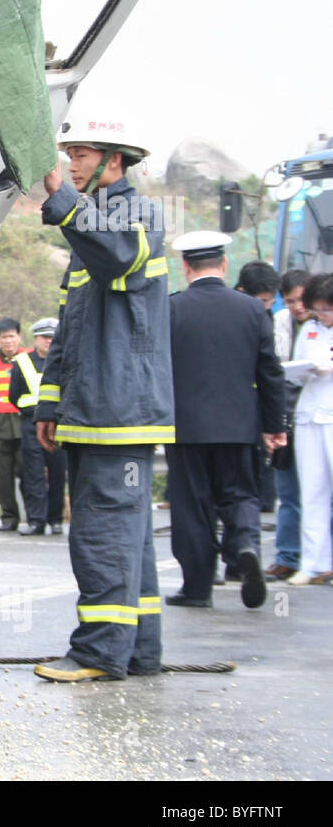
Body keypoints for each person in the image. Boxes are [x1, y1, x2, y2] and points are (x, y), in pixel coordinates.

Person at [31, 114, 174, 683]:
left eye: (83, 155)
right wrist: (49, 403)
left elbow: (119, 256)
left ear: (115, 161)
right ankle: (138, 652)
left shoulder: (138, 216)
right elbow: (68, 332)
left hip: (120, 412)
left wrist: (60, 197)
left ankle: (98, 652)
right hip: (94, 410)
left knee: (104, 531)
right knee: (128, 538)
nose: (71, 164)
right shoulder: (90, 233)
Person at [164, 231, 285, 609]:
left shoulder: (170, 309)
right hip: (239, 426)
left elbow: (156, 369)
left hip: (186, 428)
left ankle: (198, 587)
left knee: (192, 505)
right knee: (241, 493)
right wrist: (274, 425)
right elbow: (270, 372)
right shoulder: (252, 310)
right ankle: (246, 544)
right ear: (225, 264)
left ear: (185, 267)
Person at [286, 273, 333, 585]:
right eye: (317, 310)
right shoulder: (309, 331)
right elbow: (294, 371)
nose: (321, 316)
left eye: (326, 309)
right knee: (312, 490)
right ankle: (314, 562)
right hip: (309, 415)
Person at [269, 269, 311, 578]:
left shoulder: (323, 324)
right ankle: (288, 555)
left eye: (302, 300)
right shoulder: (280, 322)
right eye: (291, 301)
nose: (298, 307)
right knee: (289, 494)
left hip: (317, 418)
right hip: (287, 418)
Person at [8, 317, 66, 535]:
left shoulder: (64, 360)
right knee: (33, 475)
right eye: (44, 337)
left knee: (58, 472)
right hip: (31, 424)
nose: (49, 341)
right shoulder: (22, 362)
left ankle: (56, 519)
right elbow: (14, 395)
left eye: (52, 337)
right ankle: (36, 521)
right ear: (35, 338)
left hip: (59, 425)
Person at [236, 260, 282, 515]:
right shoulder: (235, 314)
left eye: (270, 301)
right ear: (243, 292)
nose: (267, 307)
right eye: (263, 300)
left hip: (259, 403)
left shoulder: (265, 315)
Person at [0, 319, 24, 531]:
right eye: (4, 337)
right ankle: (9, 517)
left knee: (27, 470)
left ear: (19, 336)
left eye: (12, 336)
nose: (8, 341)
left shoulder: (28, 357)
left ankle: (35, 515)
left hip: (23, 419)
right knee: (3, 474)